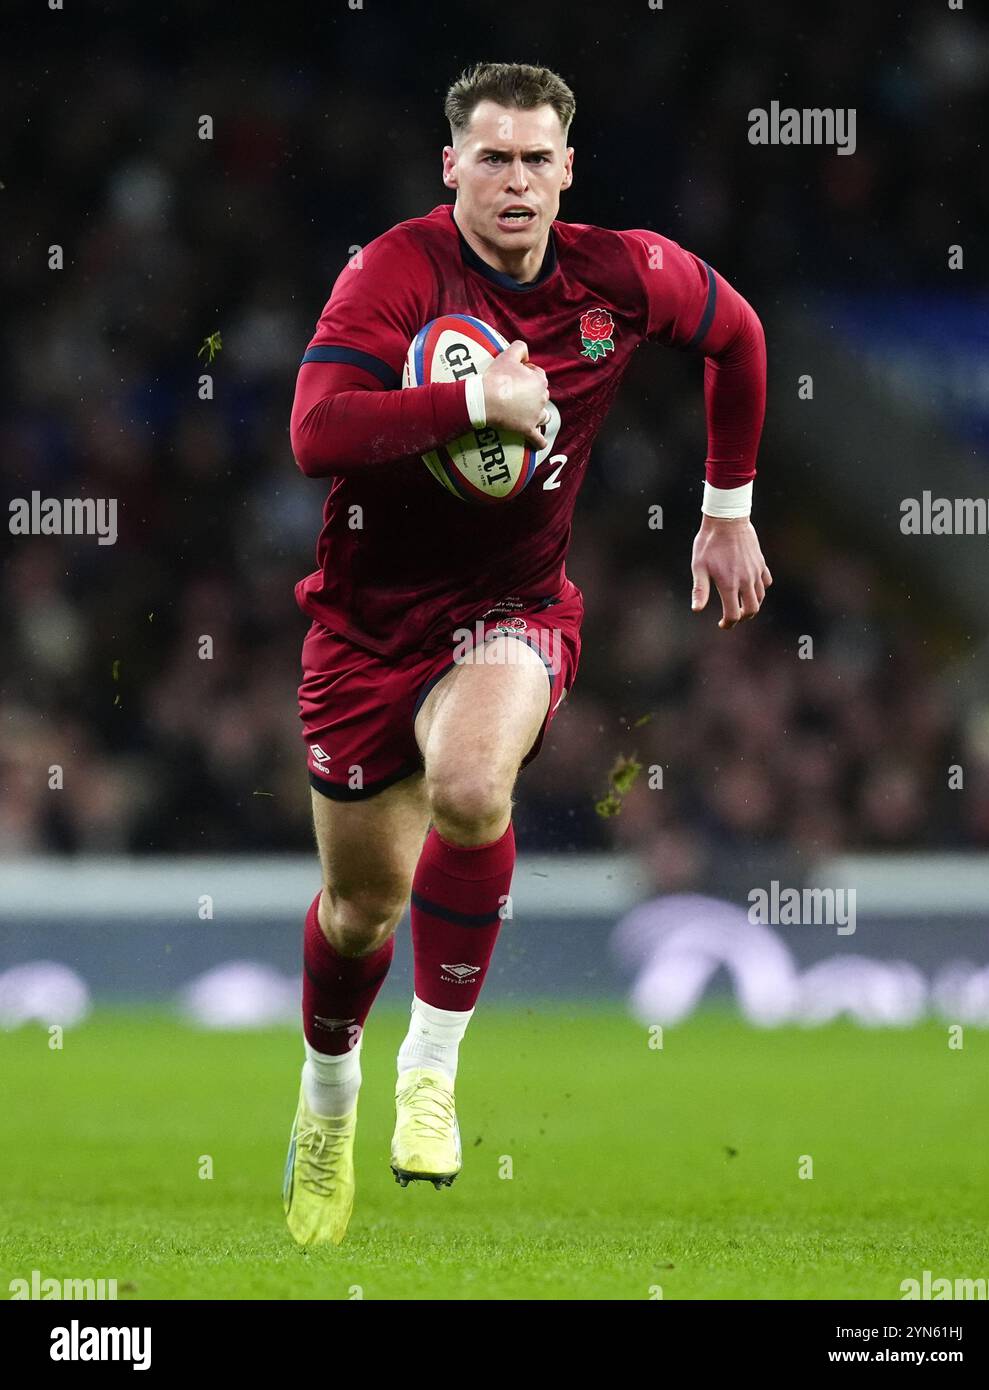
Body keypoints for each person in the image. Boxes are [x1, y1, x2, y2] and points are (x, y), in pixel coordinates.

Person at [284, 60, 771, 1245]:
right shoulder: (393, 270)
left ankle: (432, 1070)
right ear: (449, 165)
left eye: (534, 159)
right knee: (358, 911)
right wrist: (471, 406)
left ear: (567, 170)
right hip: (362, 629)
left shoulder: (621, 272)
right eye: (490, 157)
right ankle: (328, 1097)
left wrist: (724, 508)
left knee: (468, 786)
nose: (513, 180)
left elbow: (740, 337)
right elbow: (315, 432)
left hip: (512, 607)